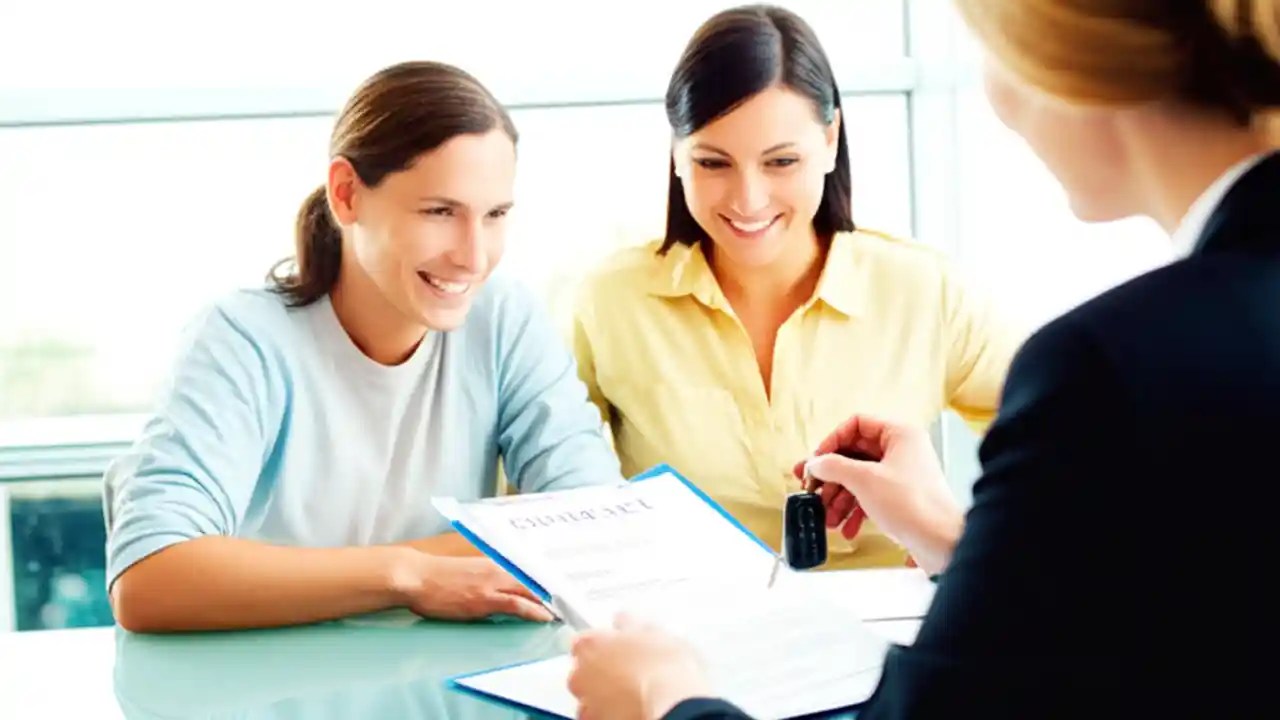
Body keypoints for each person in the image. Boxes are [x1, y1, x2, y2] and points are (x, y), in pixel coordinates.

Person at [566, 0, 1280, 716]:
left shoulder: (1102, 366)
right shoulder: (607, 296)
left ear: (1071, 70)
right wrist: (952, 539)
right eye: (713, 161)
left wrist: (666, 700)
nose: (996, 104)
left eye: (991, 57)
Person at [103, 61, 623, 633]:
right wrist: (410, 575)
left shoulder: (503, 318)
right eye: (439, 212)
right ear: (347, 195)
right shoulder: (243, 338)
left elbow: (595, 532)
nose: (474, 257)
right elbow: (150, 579)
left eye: (495, 215)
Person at [570, 4, 1024, 571]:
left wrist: (953, 535)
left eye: (781, 161)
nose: (747, 200)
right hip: (694, 632)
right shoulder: (609, 301)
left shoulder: (922, 290)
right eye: (713, 163)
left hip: (891, 634)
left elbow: (1066, 454)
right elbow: (546, 504)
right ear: (676, 154)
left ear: (830, 140)